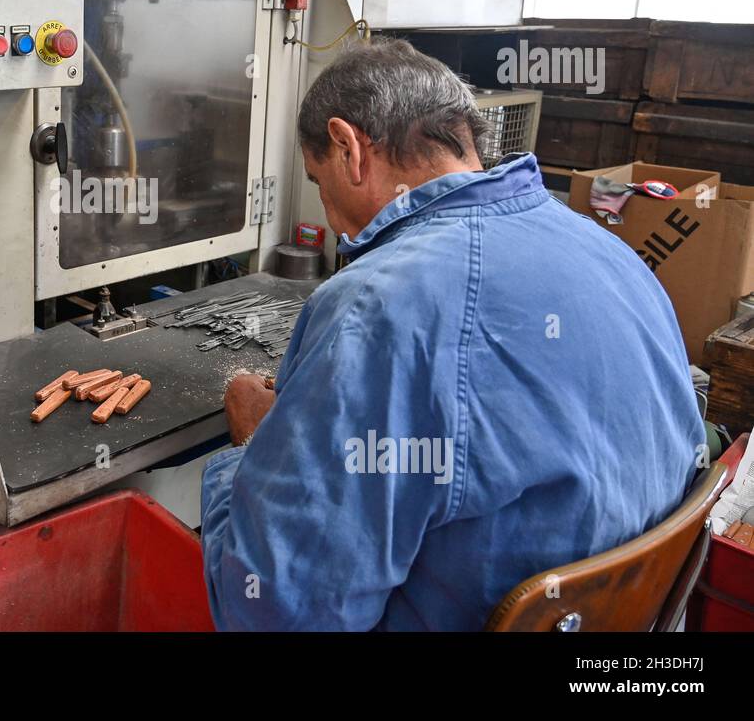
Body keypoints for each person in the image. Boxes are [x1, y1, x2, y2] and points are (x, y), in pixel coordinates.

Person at [200, 37, 705, 631]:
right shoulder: (613, 255)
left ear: (347, 147)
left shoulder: (375, 307)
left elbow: (277, 614)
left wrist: (249, 452)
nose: (330, 218)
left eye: (317, 182)